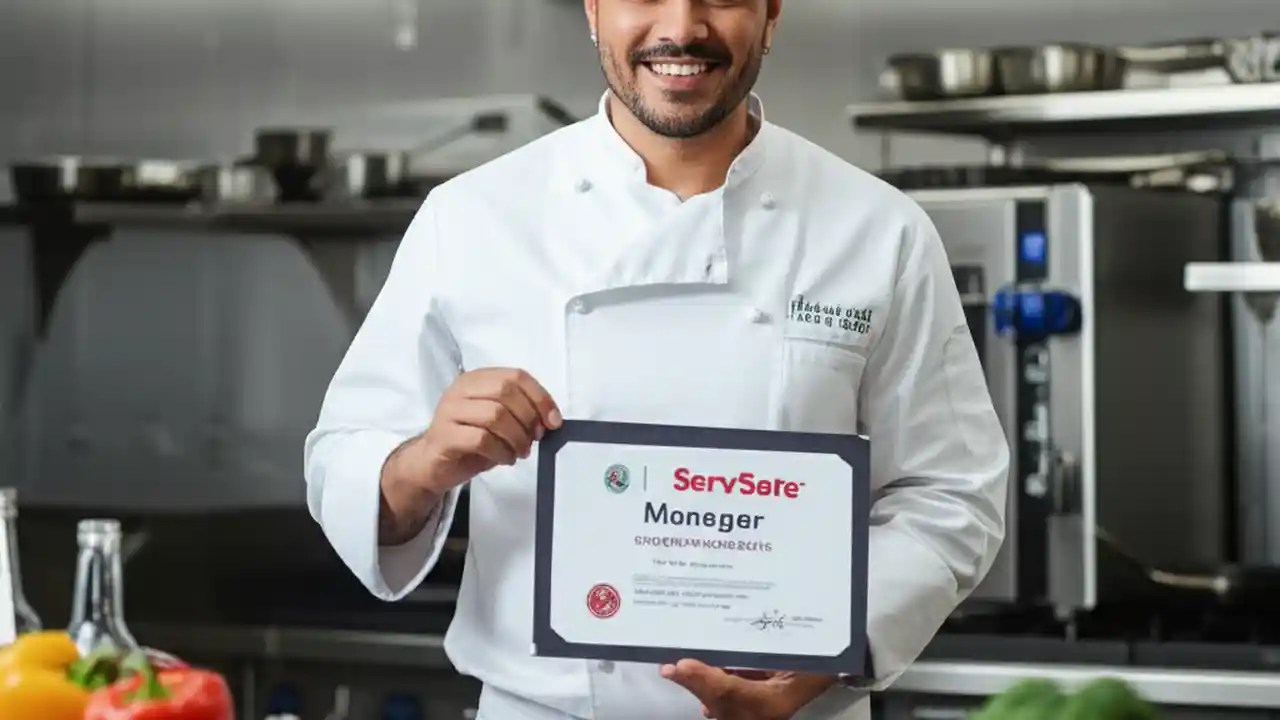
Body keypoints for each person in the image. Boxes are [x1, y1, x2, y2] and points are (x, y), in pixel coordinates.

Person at [303, 0, 1009, 718]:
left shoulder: (878, 229)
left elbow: (951, 492)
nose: (681, 27)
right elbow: (345, 461)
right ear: (593, 9)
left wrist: (828, 655)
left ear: (770, 15)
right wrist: (425, 461)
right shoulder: (473, 218)